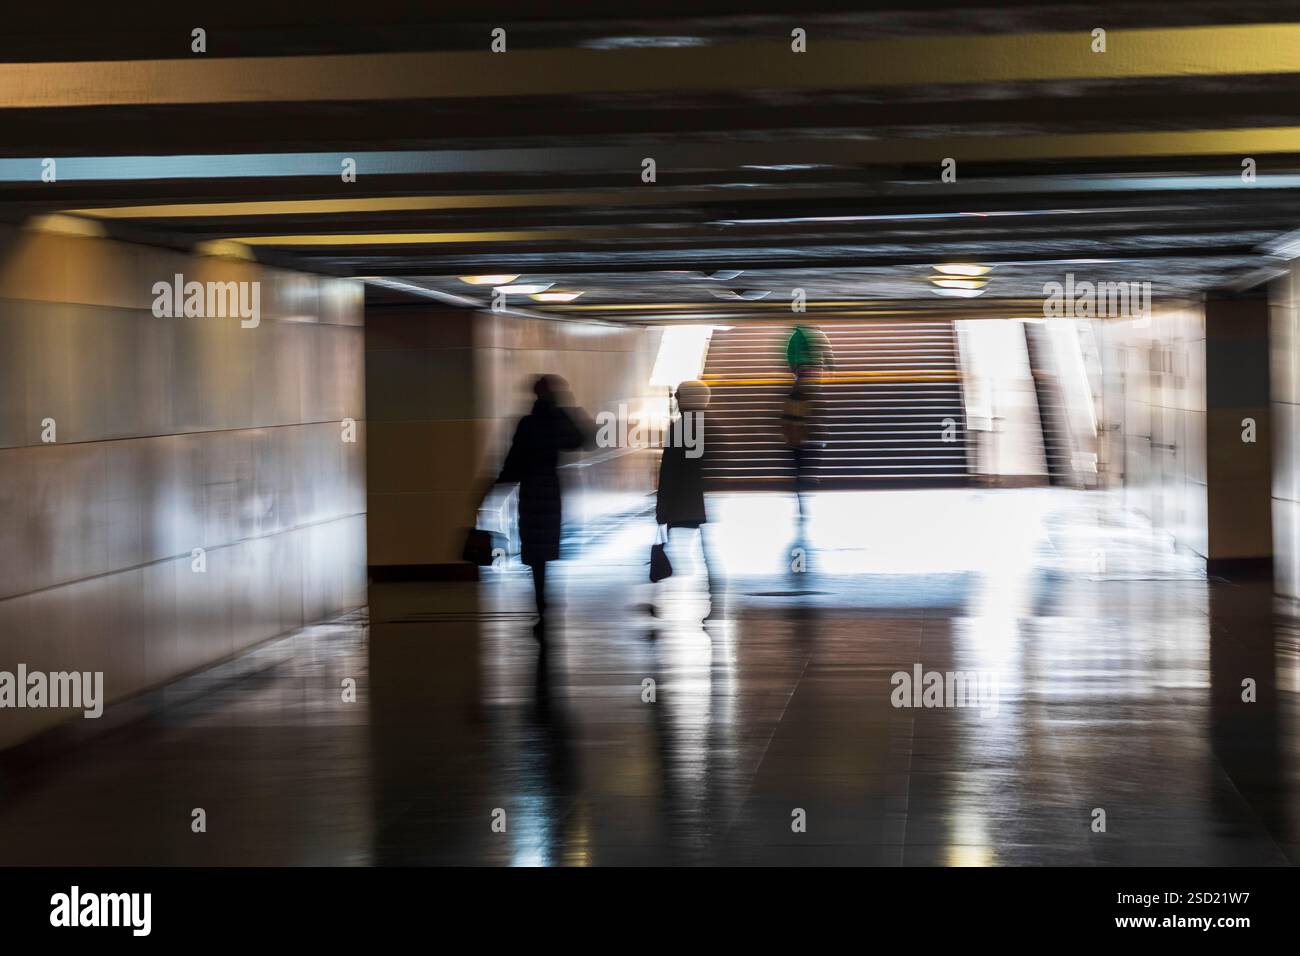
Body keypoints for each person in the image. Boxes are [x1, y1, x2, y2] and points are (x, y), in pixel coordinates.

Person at [485, 375, 589, 640]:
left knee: (536, 556)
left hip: (530, 494)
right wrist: (564, 409)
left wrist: (494, 490)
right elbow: (582, 439)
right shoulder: (557, 421)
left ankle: (542, 607)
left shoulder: (528, 424)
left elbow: (513, 462)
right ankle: (549, 606)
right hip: (551, 493)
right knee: (547, 551)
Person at [653, 380, 721, 624]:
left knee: (696, 554)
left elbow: (670, 473)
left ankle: (665, 600)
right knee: (710, 555)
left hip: (688, 501)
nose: (676, 401)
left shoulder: (681, 428)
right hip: (708, 500)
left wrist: (662, 510)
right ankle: (714, 600)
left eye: (679, 397)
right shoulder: (712, 426)